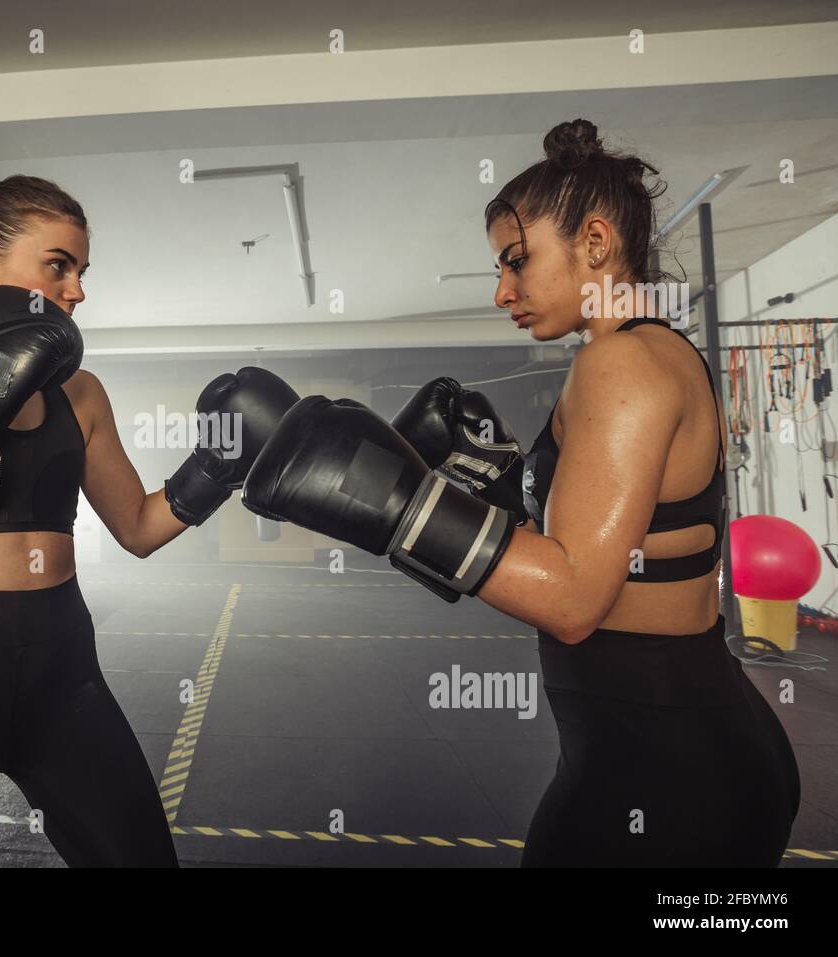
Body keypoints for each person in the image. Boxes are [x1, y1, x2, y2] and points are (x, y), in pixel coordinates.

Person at [242, 120, 800, 866]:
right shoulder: (661, 353)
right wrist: (505, 480)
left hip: (663, 773)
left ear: (595, 243)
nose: (503, 289)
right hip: (680, 745)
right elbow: (613, 538)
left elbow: (572, 599)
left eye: (516, 261)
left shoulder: (621, 364)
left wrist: (398, 501)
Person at [0, 175, 297, 867]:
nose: (77, 289)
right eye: (59, 265)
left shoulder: (80, 392)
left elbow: (138, 526)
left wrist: (219, 466)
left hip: (62, 672)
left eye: (81, 271)